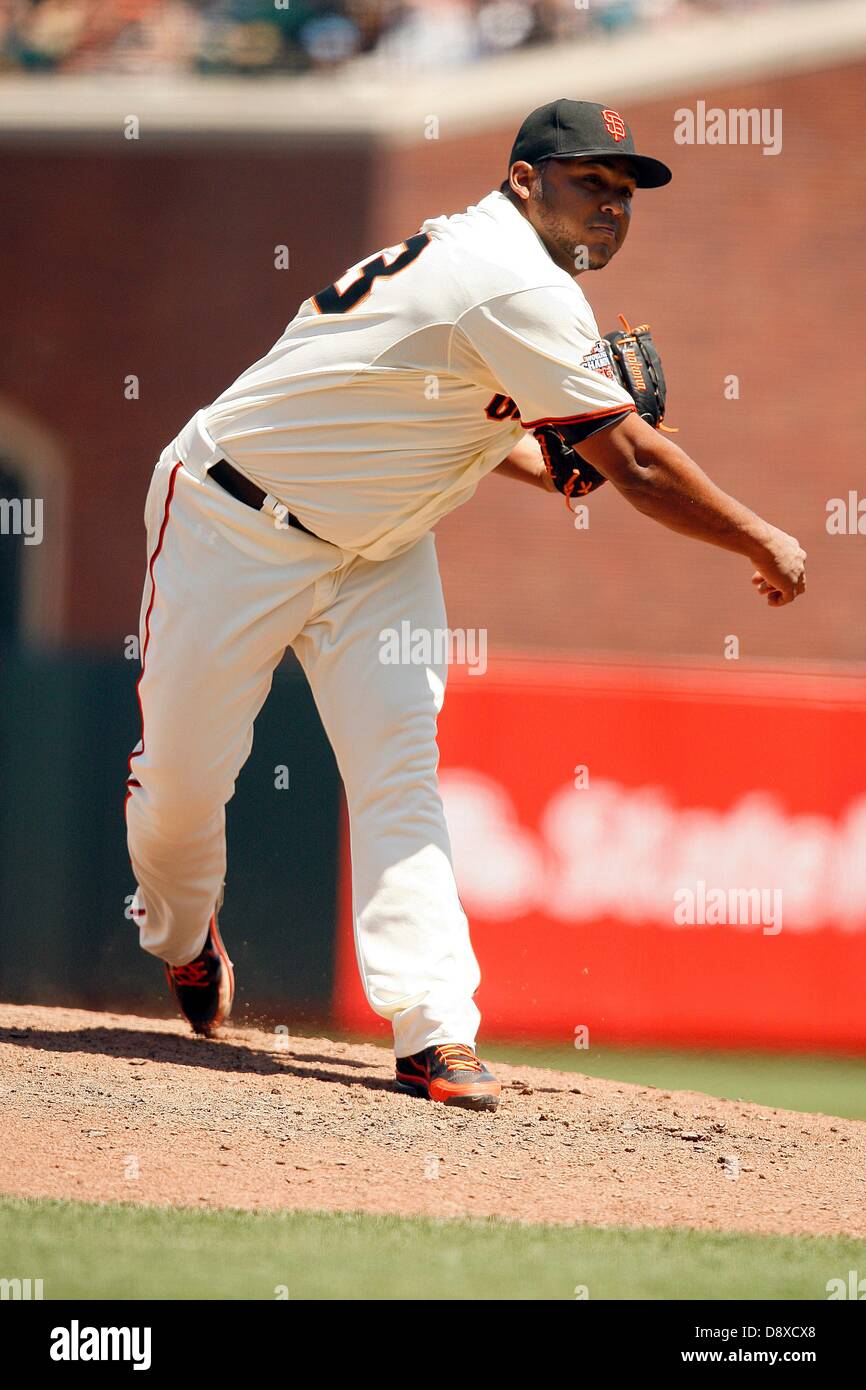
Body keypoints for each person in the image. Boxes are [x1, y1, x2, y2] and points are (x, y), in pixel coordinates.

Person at [125, 99, 805, 1114]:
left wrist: (560, 469)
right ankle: (181, 934)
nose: (610, 211)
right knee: (182, 791)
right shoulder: (512, 278)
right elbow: (641, 464)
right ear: (523, 178)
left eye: (622, 196)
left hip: (378, 551)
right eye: (589, 185)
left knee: (399, 772)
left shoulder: (513, 276)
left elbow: (476, 427)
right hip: (233, 521)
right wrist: (759, 535)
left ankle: (433, 1029)